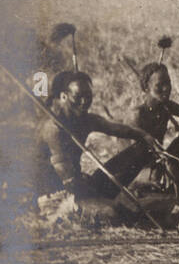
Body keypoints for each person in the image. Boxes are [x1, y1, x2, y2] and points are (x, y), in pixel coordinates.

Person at [35, 70, 163, 224]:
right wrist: (93, 195)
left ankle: (117, 206)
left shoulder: (84, 119)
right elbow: (67, 179)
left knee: (142, 149)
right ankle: (119, 209)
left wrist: (144, 135)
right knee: (113, 212)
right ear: (63, 96)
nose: (84, 102)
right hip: (60, 194)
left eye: (88, 97)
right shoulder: (53, 129)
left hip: (81, 186)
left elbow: (118, 129)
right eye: (78, 97)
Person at [131, 61, 179, 193]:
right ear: (146, 88)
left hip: (161, 162)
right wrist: (160, 166)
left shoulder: (165, 106)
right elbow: (134, 156)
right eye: (159, 85)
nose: (166, 88)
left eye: (168, 82)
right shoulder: (138, 114)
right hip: (141, 170)